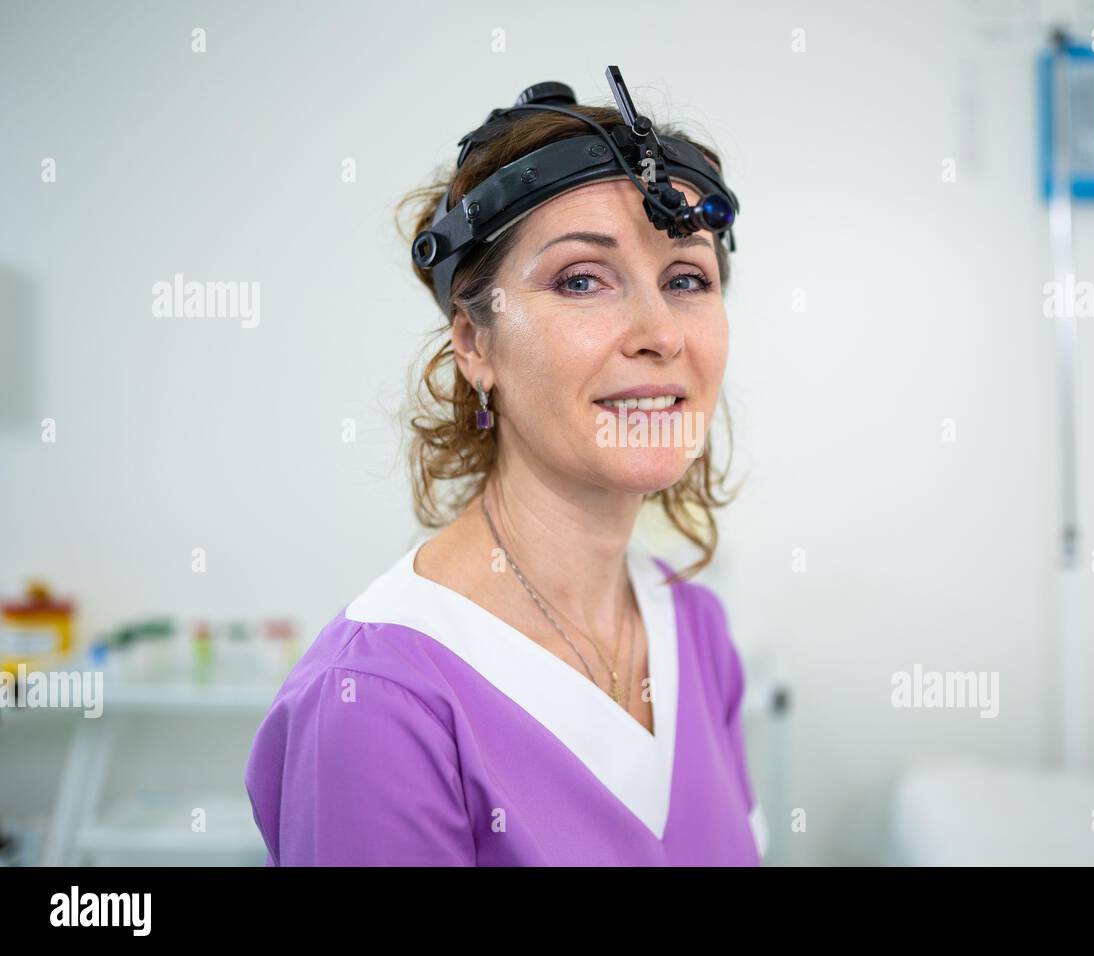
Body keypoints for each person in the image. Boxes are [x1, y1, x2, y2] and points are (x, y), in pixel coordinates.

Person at [243, 81, 768, 865]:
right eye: (581, 279)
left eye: (687, 279)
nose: (660, 333)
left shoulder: (697, 631)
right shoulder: (376, 701)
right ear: (474, 343)